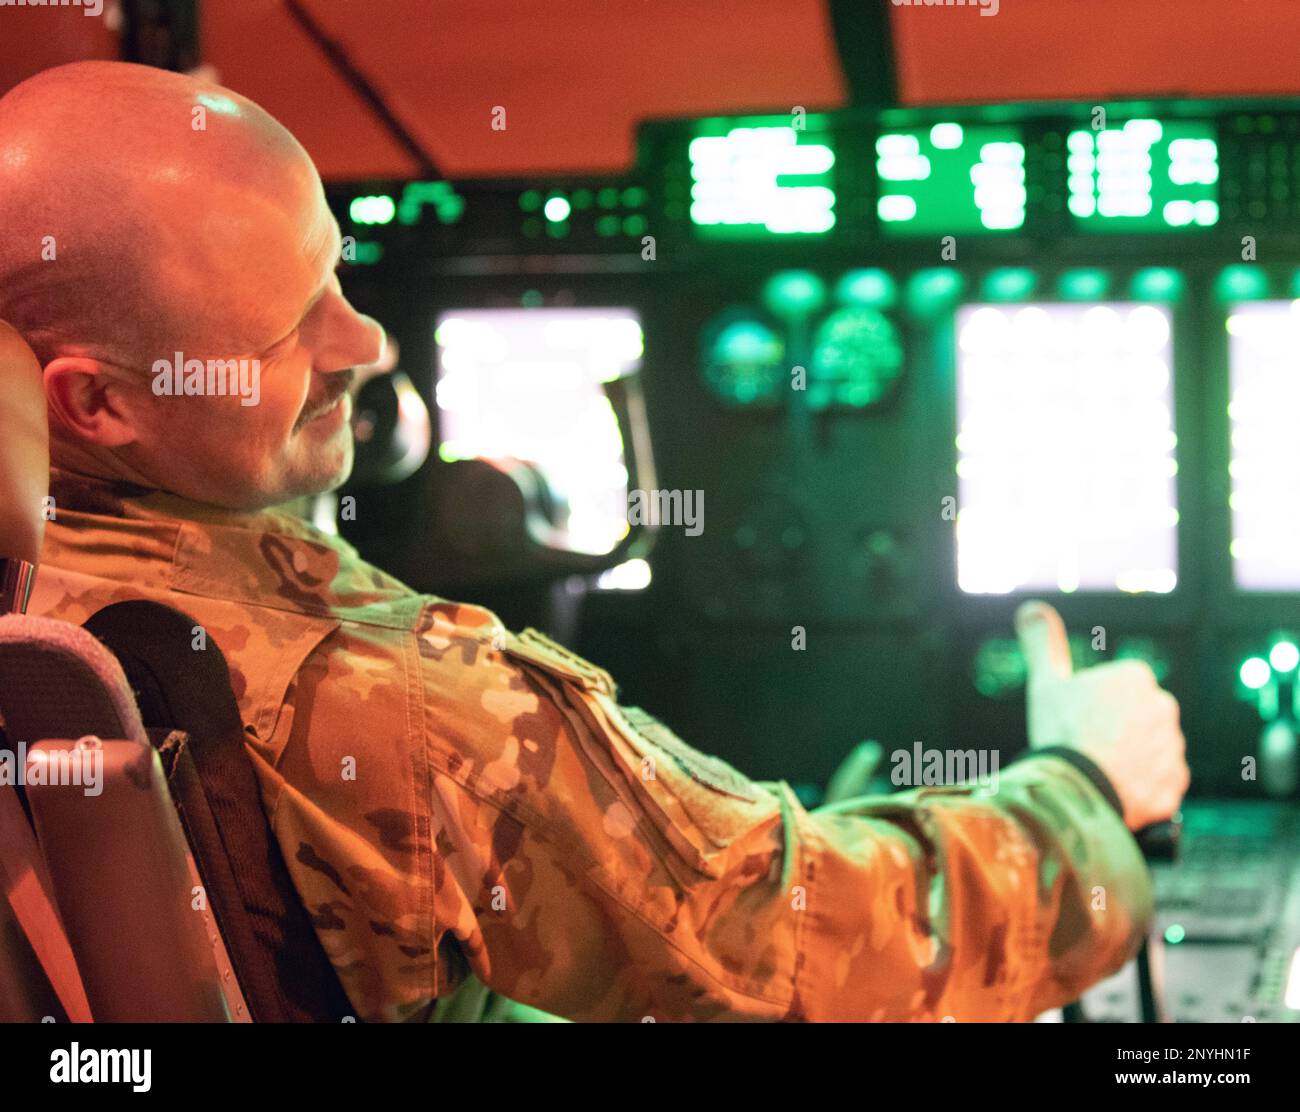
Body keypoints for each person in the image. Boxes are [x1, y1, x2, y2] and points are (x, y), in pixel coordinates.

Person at [0, 61, 1189, 1022]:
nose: (362, 341)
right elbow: (802, 955)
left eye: (336, 272)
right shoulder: (400, 704)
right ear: (96, 404)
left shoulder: (41, 603)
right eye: (282, 331)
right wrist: (1085, 788)